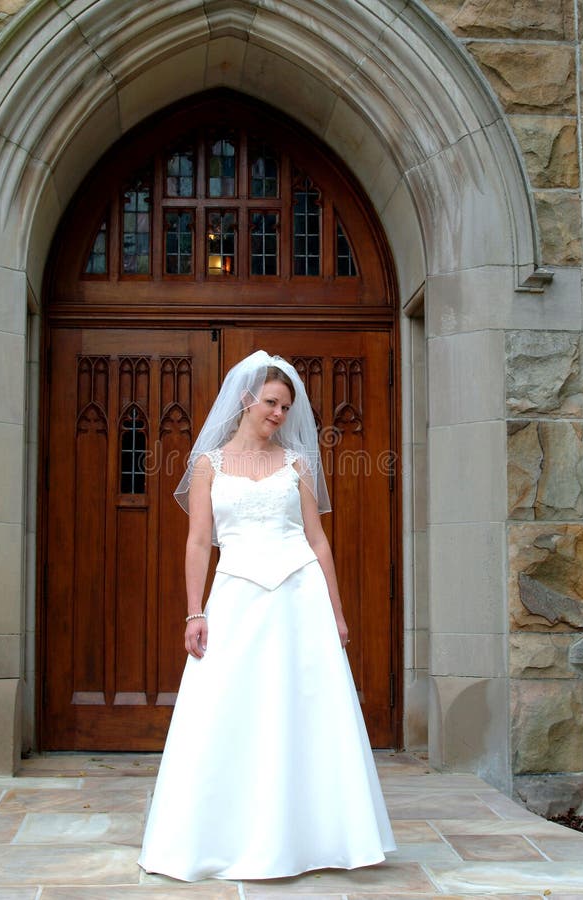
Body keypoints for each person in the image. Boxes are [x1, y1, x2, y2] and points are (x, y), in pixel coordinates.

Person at [138, 350, 395, 881]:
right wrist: (194, 612)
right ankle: (222, 839)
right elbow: (199, 541)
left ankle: (313, 839)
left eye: (286, 406)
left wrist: (338, 612)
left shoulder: (298, 464)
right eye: (272, 403)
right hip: (235, 596)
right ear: (246, 399)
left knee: (302, 711)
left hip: (298, 596)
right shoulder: (206, 464)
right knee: (228, 710)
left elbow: (317, 540)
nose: (279, 413)